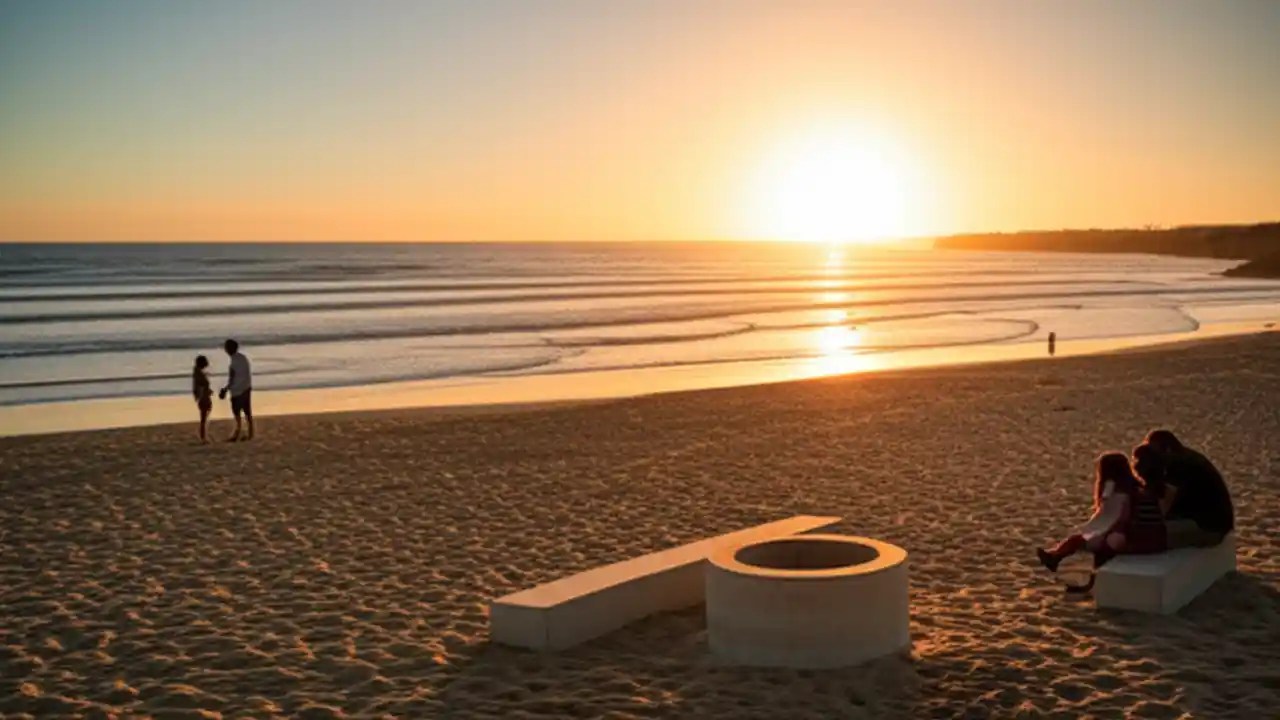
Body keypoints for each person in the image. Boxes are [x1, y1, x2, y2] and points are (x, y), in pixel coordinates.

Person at [1036, 452, 1166, 590]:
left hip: (1139, 540)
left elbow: (1122, 518)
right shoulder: (1134, 488)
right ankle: (1062, 561)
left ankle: (1062, 562)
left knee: (1097, 545)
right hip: (1150, 537)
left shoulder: (1123, 493)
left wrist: (1103, 530)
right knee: (1090, 541)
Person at [1143, 429, 1232, 547]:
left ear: (1165, 449)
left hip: (1208, 529)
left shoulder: (1177, 464)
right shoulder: (1190, 457)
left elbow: (1166, 502)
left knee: (1149, 536)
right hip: (1218, 523)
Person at [217, 338, 254, 441]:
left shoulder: (233, 362)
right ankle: (250, 433)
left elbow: (232, 379)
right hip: (246, 387)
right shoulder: (243, 358)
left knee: (237, 413)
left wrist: (225, 390)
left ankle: (237, 432)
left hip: (237, 390)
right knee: (247, 412)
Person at [192, 355, 213, 443]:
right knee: (204, 417)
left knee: (204, 416)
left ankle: (203, 435)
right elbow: (201, 386)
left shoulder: (198, 373)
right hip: (204, 397)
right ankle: (203, 436)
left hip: (204, 396)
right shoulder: (199, 374)